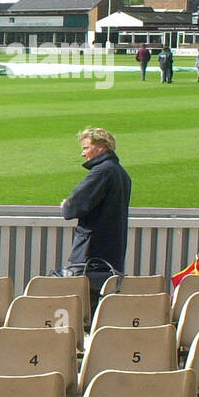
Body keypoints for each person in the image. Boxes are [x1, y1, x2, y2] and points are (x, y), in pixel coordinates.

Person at [60, 126, 132, 314]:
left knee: (86, 307)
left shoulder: (101, 172)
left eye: (86, 148)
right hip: (112, 253)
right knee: (104, 308)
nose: (83, 154)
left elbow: (72, 208)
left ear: (101, 147)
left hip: (92, 254)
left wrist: (66, 204)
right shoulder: (122, 173)